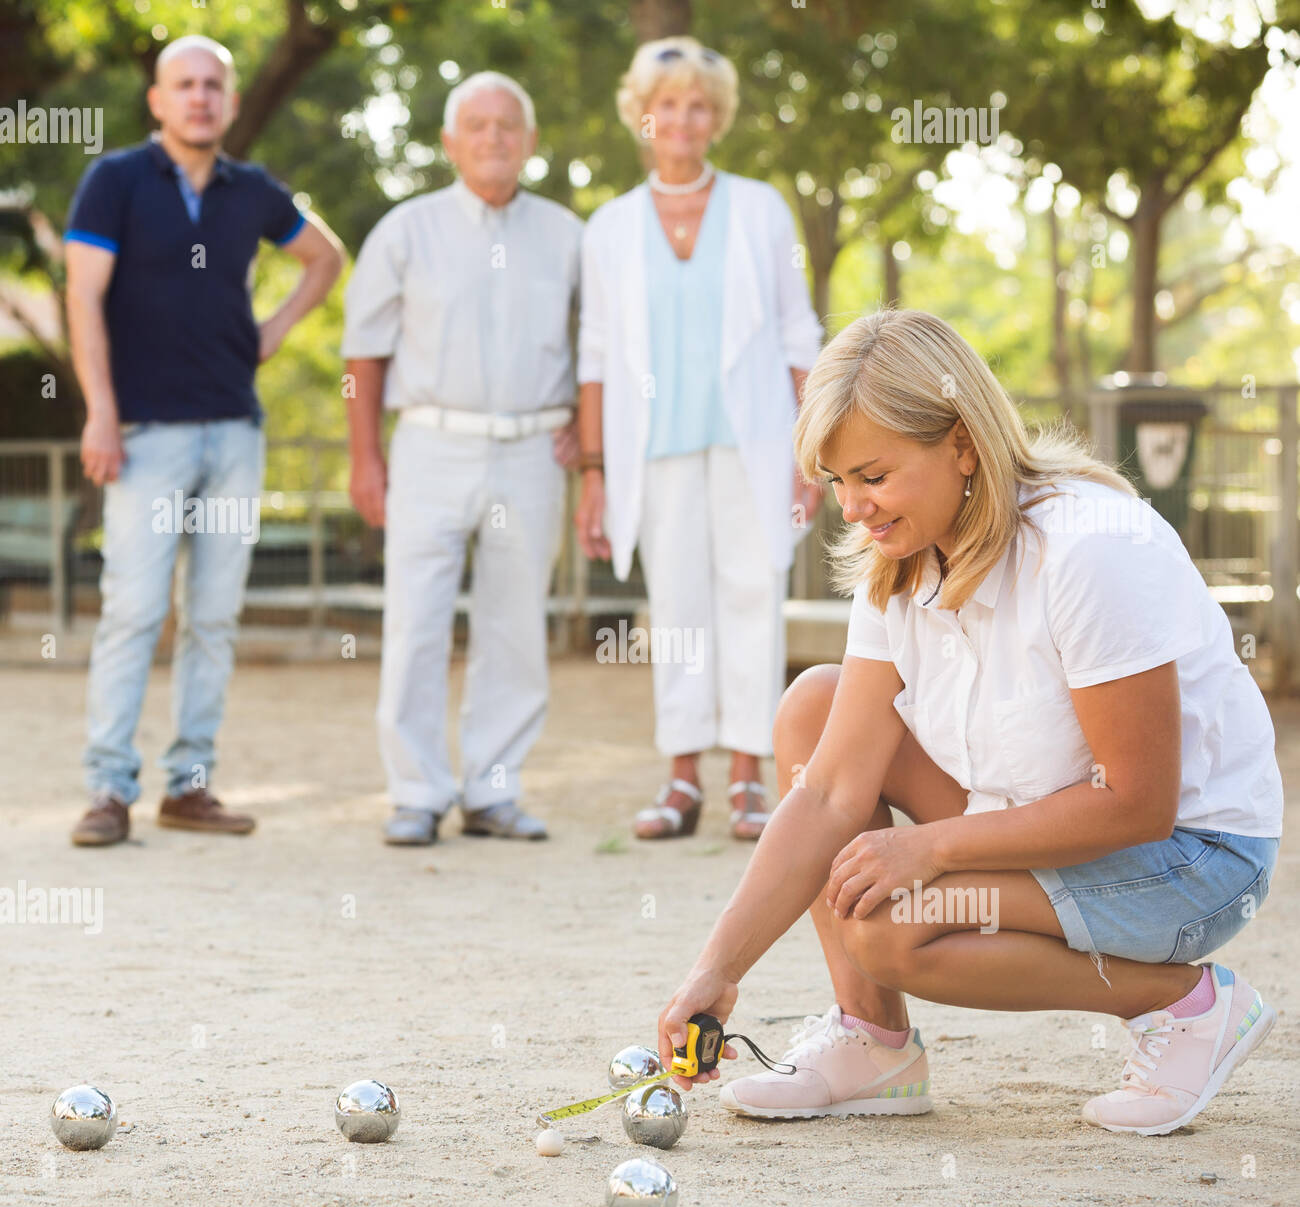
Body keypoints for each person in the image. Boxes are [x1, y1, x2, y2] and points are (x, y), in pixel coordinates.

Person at [656, 308, 1283, 1137]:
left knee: (889, 928)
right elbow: (832, 792)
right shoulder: (900, 561)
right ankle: (874, 1044)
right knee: (815, 706)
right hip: (1042, 817)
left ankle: (1191, 1006)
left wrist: (928, 847)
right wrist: (716, 970)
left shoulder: (1089, 550)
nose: (852, 507)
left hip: (1191, 860)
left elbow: (1138, 805)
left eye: (872, 475)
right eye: (838, 481)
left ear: (961, 444)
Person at [65, 35, 343, 847]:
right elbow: (84, 302)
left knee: (214, 617)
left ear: (226, 99)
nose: (199, 97)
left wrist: (274, 331)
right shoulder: (112, 181)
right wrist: (100, 411)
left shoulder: (252, 190)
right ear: (157, 100)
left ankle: (189, 787)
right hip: (143, 433)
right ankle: (109, 791)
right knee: (134, 612)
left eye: (213, 85)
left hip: (233, 431)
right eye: (183, 84)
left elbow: (324, 257)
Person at [575, 36, 823, 843]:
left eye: (698, 105)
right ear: (641, 114)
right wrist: (593, 472)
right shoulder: (609, 226)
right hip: (654, 450)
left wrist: (813, 449)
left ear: (716, 119)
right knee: (675, 607)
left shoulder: (759, 209)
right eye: (667, 102)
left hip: (754, 444)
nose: (681, 119)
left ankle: (751, 778)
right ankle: (682, 778)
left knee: (754, 595)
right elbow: (597, 354)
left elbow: (797, 332)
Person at [343, 72, 582, 846]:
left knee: (515, 627)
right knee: (416, 621)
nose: (493, 138)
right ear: (450, 142)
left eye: (508, 125)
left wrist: (590, 428)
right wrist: (364, 459)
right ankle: (414, 792)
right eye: (476, 125)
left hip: (533, 449)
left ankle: (494, 792)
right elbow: (363, 353)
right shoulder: (405, 231)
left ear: (531, 142)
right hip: (430, 447)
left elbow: (602, 346)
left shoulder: (567, 236)